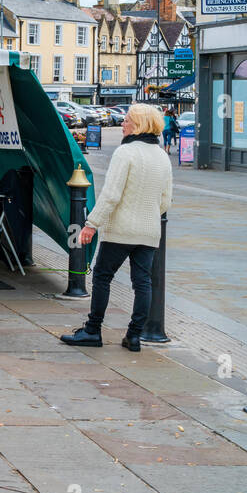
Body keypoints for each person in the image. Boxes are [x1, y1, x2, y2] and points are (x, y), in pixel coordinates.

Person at [61, 104, 173, 352]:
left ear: (139, 125)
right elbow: (166, 200)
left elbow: (111, 195)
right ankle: (134, 336)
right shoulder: (162, 157)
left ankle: (93, 330)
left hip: (121, 229)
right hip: (149, 230)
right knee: (142, 283)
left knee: (102, 277)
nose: (123, 123)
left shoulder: (126, 153)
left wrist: (91, 224)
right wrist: (149, 213)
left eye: (128, 121)